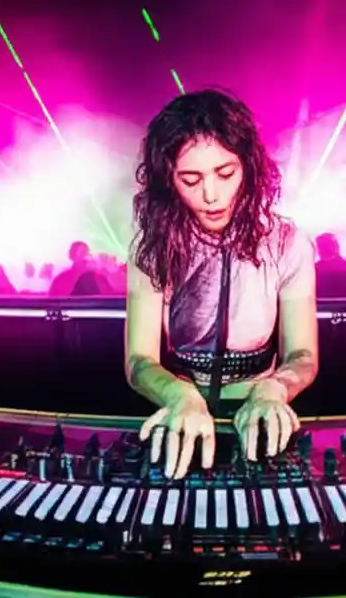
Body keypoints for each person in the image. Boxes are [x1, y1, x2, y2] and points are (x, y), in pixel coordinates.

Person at [125, 89, 318, 479]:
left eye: (225, 174)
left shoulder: (287, 243)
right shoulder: (151, 247)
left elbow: (304, 355)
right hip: (179, 413)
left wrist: (274, 390)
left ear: (248, 166)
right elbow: (138, 362)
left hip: (261, 415)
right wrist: (179, 396)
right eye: (190, 179)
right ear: (168, 180)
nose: (210, 196)